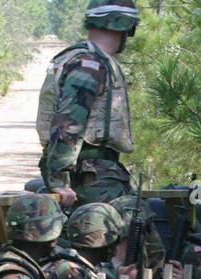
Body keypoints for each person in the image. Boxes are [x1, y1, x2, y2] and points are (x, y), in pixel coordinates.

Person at [37, 1, 140, 208]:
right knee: (141, 234)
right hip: (92, 176)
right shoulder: (89, 64)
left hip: (90, 173)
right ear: (126, 27)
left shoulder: (83, 58)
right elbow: (69, 123)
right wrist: (59, 180)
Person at [45, 202, 127, 279]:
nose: (116, 244)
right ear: (104, 237)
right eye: (115, 238)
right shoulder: (70, 271)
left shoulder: (86, 268)